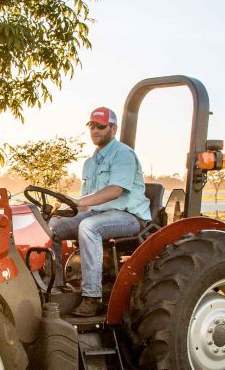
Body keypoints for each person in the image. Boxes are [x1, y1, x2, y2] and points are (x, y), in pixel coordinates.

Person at [50, 106, 151, 317]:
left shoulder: (123, 154)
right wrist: (65, 207)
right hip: (99, 214)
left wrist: (80, 202)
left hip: (128, 217)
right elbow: (86, 204)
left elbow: (115, 190)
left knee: (89, 227)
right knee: (53, 226)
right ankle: (56, 287)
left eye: (101, 126)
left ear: (113, 129)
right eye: (92, 126)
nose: (95, 130)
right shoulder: (90, 163)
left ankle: (92, 297)